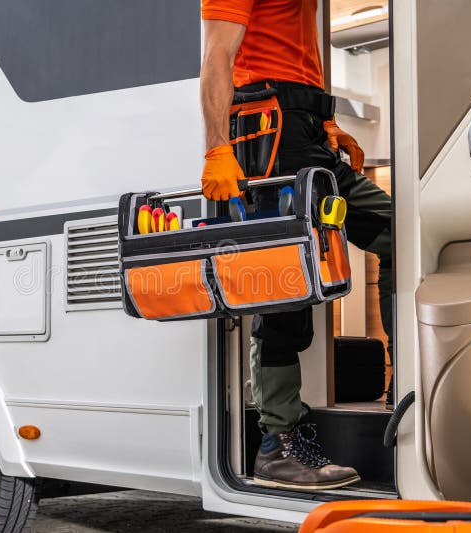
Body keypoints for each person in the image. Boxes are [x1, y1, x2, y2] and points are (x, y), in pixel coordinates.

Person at [199, 0, 393, 490]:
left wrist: (325, 123)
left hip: (306, 128)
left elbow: (298, 57)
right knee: (286, 283)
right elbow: (218, 56)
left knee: (400, 235)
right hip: (269, 128)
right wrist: (218, 147)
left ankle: (404, 383)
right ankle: (276, 444)